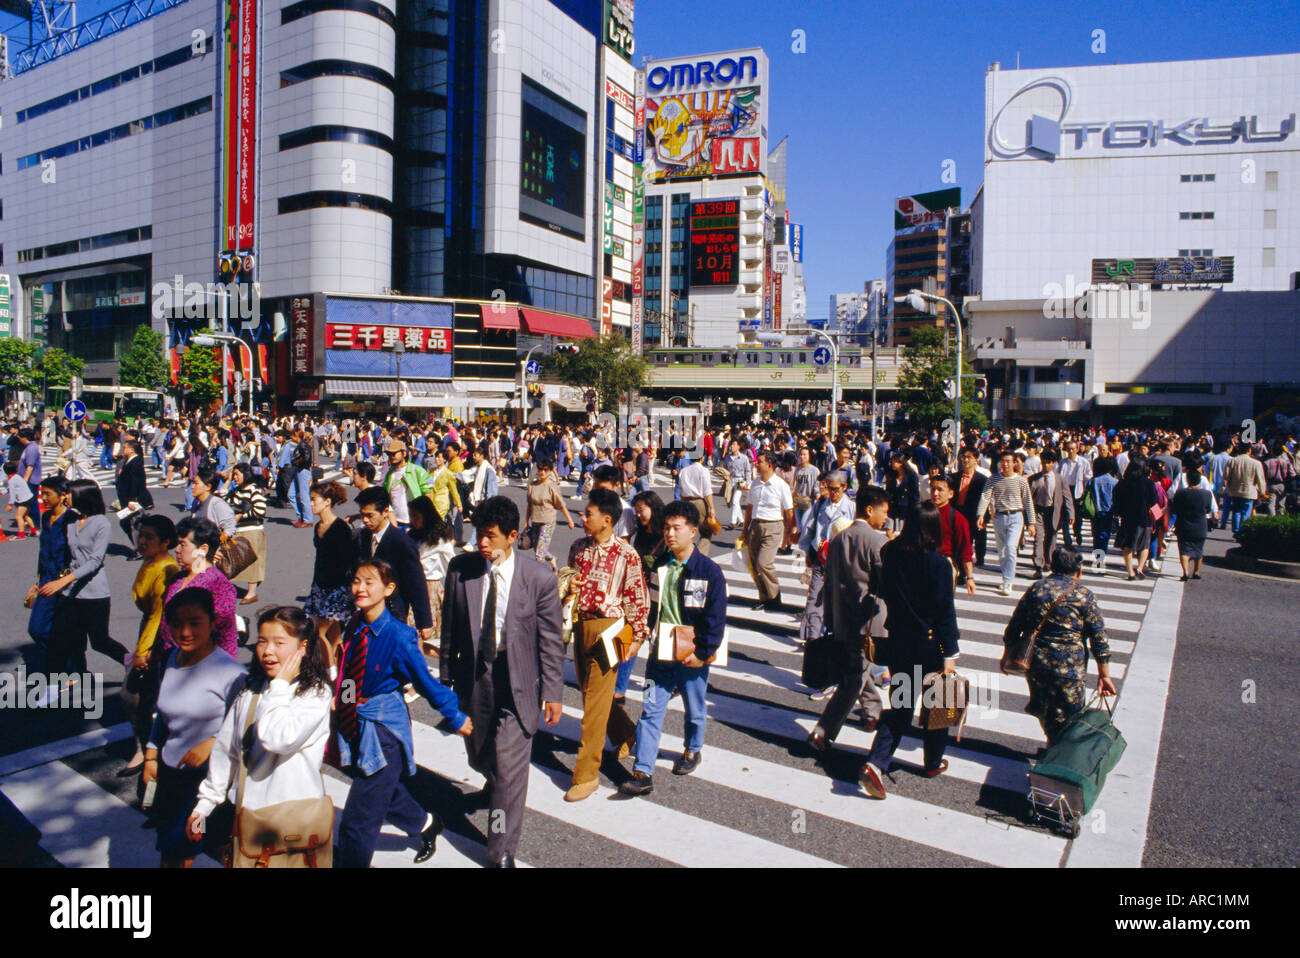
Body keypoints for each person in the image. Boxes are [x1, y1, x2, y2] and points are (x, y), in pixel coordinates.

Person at [439, 496, 564, 866]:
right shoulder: (461, 570)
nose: (482, 543)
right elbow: (449, 628)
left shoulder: (538, 578)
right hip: (476, 679)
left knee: (510, 776)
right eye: (479, 534)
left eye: (490, 536)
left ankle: (500, 851)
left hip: (519, 682)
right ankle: (490, 781)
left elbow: (551, 641)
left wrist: (553, 693)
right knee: (480, 755)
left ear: (512, 536)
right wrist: (447, 678)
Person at [331, 559, 472, 867]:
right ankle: (426, 824)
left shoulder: (399, 636)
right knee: (384, 790)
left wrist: (456, 716)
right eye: (356, 581)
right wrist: (342, 701)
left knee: (358, 820)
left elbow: (425, 682)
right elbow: (350, 672)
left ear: (388, 589)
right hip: (356, 718)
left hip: (384, 730)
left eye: (369, 582)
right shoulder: (356, 622)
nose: (360, 588)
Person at [186, 606, 334, 865]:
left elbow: (278, 738)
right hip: (250, 821)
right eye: (262, 642)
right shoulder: (251, 691)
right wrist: (205, 805)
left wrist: (278, 686)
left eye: (280, 643)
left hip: (296, 825)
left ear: (303, 647)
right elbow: (226, 750)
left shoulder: (315, 694)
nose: (268, 652)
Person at [619, 500, 728, 796]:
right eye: (666, 527)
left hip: (692, 651)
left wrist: (703, 653)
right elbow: (651, 606)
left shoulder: (709, 572)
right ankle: (643, 771)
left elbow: (716, 619)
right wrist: (642, 635)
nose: (669, 534)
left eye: (676, 528)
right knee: (651, 709)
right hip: (661, 650)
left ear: (693, 532)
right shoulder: (659, 564)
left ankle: (693, 749)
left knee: (694, 709)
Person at [858, 502, 961, 799]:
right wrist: (949, 653)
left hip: (899, 640)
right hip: (930, 645)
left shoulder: (890, 553)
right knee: (938, 705)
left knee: (900, 706)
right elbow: (945, 613)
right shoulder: (940, 564)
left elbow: (885, 591)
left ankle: (876, 763)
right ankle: (931, 762)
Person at [142, 587, 246, 866]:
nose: (184, 631)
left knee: (183, 850)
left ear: (213, 623)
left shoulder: (231, 673)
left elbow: (246, 727)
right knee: (171, 849)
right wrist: (151, 755)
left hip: (204, 781)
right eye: (176, 624)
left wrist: (213, 742)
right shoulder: (169, 660)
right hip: (170, 772)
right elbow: (161, 715)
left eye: (194, 622)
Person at [564, 487, 650, 802]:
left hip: (611, 629)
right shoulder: (578, 547)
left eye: (589, 514)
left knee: (593, 705)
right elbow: (567, 582)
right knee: (591, 694)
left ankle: (586, 775)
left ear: (607, 519)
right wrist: (567, 584)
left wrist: (637, 635)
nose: (583, 517)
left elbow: (637, 597)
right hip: (581, 624)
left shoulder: (627, 554)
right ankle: (626, 732)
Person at [1003, 547, 1115, 744]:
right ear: (1079, 570)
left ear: (1052, 567)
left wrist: (1007, 655)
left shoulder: (1037, 589)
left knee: (1045, 710)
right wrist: (1104, 674)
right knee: (1071, 715)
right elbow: (1099, 639)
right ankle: (1058, 754)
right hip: (1070, 668)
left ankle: (1052, 745)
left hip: (1038, 665)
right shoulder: (1084, 596)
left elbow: (1014, 627)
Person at [808, 485, 891, 751]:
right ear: (869, 509)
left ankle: (873, 712)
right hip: (868, 620)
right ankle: (823, 731)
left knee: (858, 668)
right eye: (884, 511)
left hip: (841, 618)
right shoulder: (878, 542)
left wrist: (830, 618)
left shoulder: (838, 540)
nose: (886, 517)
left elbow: (829, 583)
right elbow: (885, 584)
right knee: (854, 677)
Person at [40, 479, 130, 694]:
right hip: (70, 593)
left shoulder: (101, 523)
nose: (66, 496)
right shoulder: (71, 521)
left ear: (82, 495)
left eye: (69, 493)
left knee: (99, 641)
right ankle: (53, 688)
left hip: (94, 593)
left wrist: (63, 580)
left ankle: (133, 664)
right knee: (62, 639)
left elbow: (94, 561)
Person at [120, 515, 181, 778]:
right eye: (140, 535)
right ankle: (147, 746)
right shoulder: (150, 561)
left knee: (135, 693)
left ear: (165, 542)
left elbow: (158, 615)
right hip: (148, 628)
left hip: (159, 634)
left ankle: (148, 748)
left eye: (149, 537)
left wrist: (145, 652)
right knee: (145, 694)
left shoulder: (166, 569)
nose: (141, 541)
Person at [354, 486, 435, 646]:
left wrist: (424, 621)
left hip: (392, 612)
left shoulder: (401, 542)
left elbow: (416, 583)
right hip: (365, 611)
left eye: (370, 516)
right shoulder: (363, 537)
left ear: (385, 512)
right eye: (362, 515)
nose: (365, 520)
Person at [160, 517, 240, 657]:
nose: (177, 550)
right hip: (171, 660)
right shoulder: (178, 579)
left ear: (203, 549)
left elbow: (225, 638)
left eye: (182, 544)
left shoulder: (218, 585)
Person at [797, 470, 855, 655]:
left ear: (844, 487)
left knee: (839, 602)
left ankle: (836, 639)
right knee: (815, 599)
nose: (832, 492)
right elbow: (810, 527)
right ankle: (813, 641)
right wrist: (806, 550)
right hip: (821, 561)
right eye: (829, 488)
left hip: (842, 563)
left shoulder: (851, 507)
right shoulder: (821, 503)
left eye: (835, 489)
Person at [305, 480, 359, 655]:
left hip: (337, 589)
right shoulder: (317, 527)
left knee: (318, 633)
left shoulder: (341, 528)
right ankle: (339, 666)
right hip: (320, 587)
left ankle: (331, 672)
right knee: (334, 636)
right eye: (310, 499)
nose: (311, 503)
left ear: (327, 501)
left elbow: (349, 561)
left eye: (314, 499)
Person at [24, 476, 73, 654]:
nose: (43, 498)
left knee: (53, 628)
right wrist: (37, 582)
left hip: (64, 580)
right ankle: (64, 663)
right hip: (45, 579)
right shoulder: (46, 517)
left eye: (47, 494)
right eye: (42, 494)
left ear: (62, 495)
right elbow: (43, 551)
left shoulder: (71, 519)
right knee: (37, 628)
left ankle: (68, 667)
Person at [976, 451, 1036, 596]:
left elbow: (1028, 502)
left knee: (1010, 547)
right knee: (1002, 551)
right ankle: (1005, 579)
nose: (1005, 464)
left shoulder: (1021, 480)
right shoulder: (994, 479)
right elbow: (985, 496)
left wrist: (1031, 523)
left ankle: (1008, 581)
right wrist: (980, 515)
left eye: (1008, 461)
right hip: (999, 517)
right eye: (1003, 461)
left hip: (1016, 516)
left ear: (1015, 463)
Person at [743, 450, 795, 612]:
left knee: (764, 563)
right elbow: (749, 509)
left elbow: (789, 510)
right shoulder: (756, 483)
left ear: (769, 465)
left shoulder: (781, 486)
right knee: (755, 565)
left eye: (760, 462)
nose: (756, 464)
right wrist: (745, 529)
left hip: (773, 527)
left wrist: (792, 529)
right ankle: (764, 598)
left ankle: (775, 596)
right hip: (755, 526)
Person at [408, 495, 456, 654]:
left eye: (416, 516)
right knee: (411, 635)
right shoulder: (411, 535)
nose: (413, 520)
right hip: (412, 585)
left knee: (426, 636)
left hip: (430, 586)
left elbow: (452, 563)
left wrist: (452, 589)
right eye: (411, 516)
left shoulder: (440, 538)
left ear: (426, 515)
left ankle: (446, 667)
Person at [1111, 456, 1160, 580]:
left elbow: (1116, 499)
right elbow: (1154, 501)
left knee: (1128, 547)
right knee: (1144, 546)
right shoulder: (1148, 483)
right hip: (1144, 519)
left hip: (1127, 518)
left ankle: (1130, 572)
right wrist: (1158, 517)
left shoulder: (1122, 483)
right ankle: (1139, 568)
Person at [1028, 449, 1074, 580]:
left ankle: (1048, 562)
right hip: (1038, 511)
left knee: (1051, 538)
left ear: (1053, 463)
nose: (1045, 465)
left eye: (1048, 463)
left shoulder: (1060, 479)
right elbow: (1028, 498)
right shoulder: (1034, 479)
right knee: (1038, 538)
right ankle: (1038, 565)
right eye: (1043, 463)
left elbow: (1067, 497)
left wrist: (1071, 514)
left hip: (1053, 511)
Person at [524, 458, 574, 571]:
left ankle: (538, 577)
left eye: (546, 470)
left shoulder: (552, 486)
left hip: (548, 521)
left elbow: (561, 505)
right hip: (535, 520)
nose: (542, 472)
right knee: (537, 547)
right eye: (540, 469)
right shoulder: (532, 485)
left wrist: (569, 520)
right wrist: (526, 521)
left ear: (550, 471)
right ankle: (552, 559)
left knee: (539, 554)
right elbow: (529, 504)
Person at [227, 463, 267, 604]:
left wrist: (241, 515)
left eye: (237, 474)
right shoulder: (236, 490)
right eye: (234, 474)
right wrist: (227, 482)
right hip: (237, 530)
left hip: (252, 530)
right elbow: (224, 502)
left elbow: (260, 510)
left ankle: (252, 593)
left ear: (246, 474)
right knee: (233, 560)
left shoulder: (254, 490)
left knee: (252, 562)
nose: (234, 477)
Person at [931, 475, 976, 595]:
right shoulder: (921, 513)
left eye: (940, 490)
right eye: (932, 489)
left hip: (944, 565)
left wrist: (969, 578)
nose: (935, 493)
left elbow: (965, 550)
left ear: (951, 494)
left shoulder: (958, 519)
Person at [1171, 463, 1215, 581]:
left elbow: (1174, 509)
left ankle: (1185, 572)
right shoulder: (1207, 494)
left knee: (1184, 549)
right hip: (1200, 524)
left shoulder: (1181, 493)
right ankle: (1196, 571)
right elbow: (1208, 510)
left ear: (1188, 479)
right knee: (1198, 549)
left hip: (1184, 524)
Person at [948, 447, 989, 568]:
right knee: (959, 544)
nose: (965, 460)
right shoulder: (953, 477)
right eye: (963, 457)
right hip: (957, 513)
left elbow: (986, 500)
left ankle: (979, 557)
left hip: (973, 515)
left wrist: (984, 518)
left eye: (969, 457)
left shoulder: (983, 480)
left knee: (975, 540)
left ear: (976, 459)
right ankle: (960, 572)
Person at [382, 438, 435, 530]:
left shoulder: (417, 470)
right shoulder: (389, 474)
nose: (391, 456)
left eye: (394, 453)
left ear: (404, 453)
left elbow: (428, 494)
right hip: (395, 522)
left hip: (414, 523)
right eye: (389, 454)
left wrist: (423, 517)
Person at [675, 453, 718, 556]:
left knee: (687, 530)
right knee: (706, 532)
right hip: (699, 502)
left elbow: (680, 490)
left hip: (686, 502)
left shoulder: (684, 471)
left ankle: (684, 553)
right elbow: (707, 491)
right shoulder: (703, 470)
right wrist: (712, 507)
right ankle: (700, 555)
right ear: (702, 458)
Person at [1224, 441, 1268, 537]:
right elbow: (1261, 479)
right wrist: (1262, 491)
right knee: (1246, 512)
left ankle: (1236, 530)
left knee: (1236, 510)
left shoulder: (1231, 461)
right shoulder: (1256, 463)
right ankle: (1242, 530)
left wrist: (1223, 489)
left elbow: (1225, 477)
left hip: (1234, 490)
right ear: (1250, 450)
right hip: (1249, 491)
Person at [1058, 440, 1093, 549]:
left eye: (1073, 449)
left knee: (1077, 517)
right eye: (1068, 449)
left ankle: (1077, 532)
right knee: (1064, 515)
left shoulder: (1083, 462)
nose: (1071, 451)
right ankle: (1067, 540)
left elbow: (1088, 477)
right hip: (1065, 490)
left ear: (1077, 449)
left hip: (1078, 491)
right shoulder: (1062, 462)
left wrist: (1085, 491)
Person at [1088, 457, 1121, 574]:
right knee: (1104, 536)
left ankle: (1097, 557)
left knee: (1096, 535)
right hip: (1108, 511)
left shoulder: (1093, 480)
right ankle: (1100, 559)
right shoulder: (1115, 482)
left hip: (1095, 511)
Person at [189, 466, 237, 538]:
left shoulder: (216, 503)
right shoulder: (196, 503)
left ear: (208, 486)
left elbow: (230, 525)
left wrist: (220, 540)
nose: (192, 486)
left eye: (196, 483)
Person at [723, 439, 752, 529]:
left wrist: (748, 482)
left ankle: (733, 522)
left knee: (735, 500)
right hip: (731, 481)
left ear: (739, 447)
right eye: (731, 444)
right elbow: (724, 469)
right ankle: (741, 520)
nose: (731, 446)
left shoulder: (744, 458)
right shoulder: (727, 458)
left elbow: (748, 471)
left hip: (740, 481)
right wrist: (725, 476)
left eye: (734, 444)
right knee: (733, 502)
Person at [4, 461, 37, 538]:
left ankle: (21, 534)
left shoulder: (12, 480)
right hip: (29, 497)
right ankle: (33, 531)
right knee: (25, 516)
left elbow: (12, 494)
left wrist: (10, 505)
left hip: (24, 500)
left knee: (18, 517)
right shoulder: (17, 476)